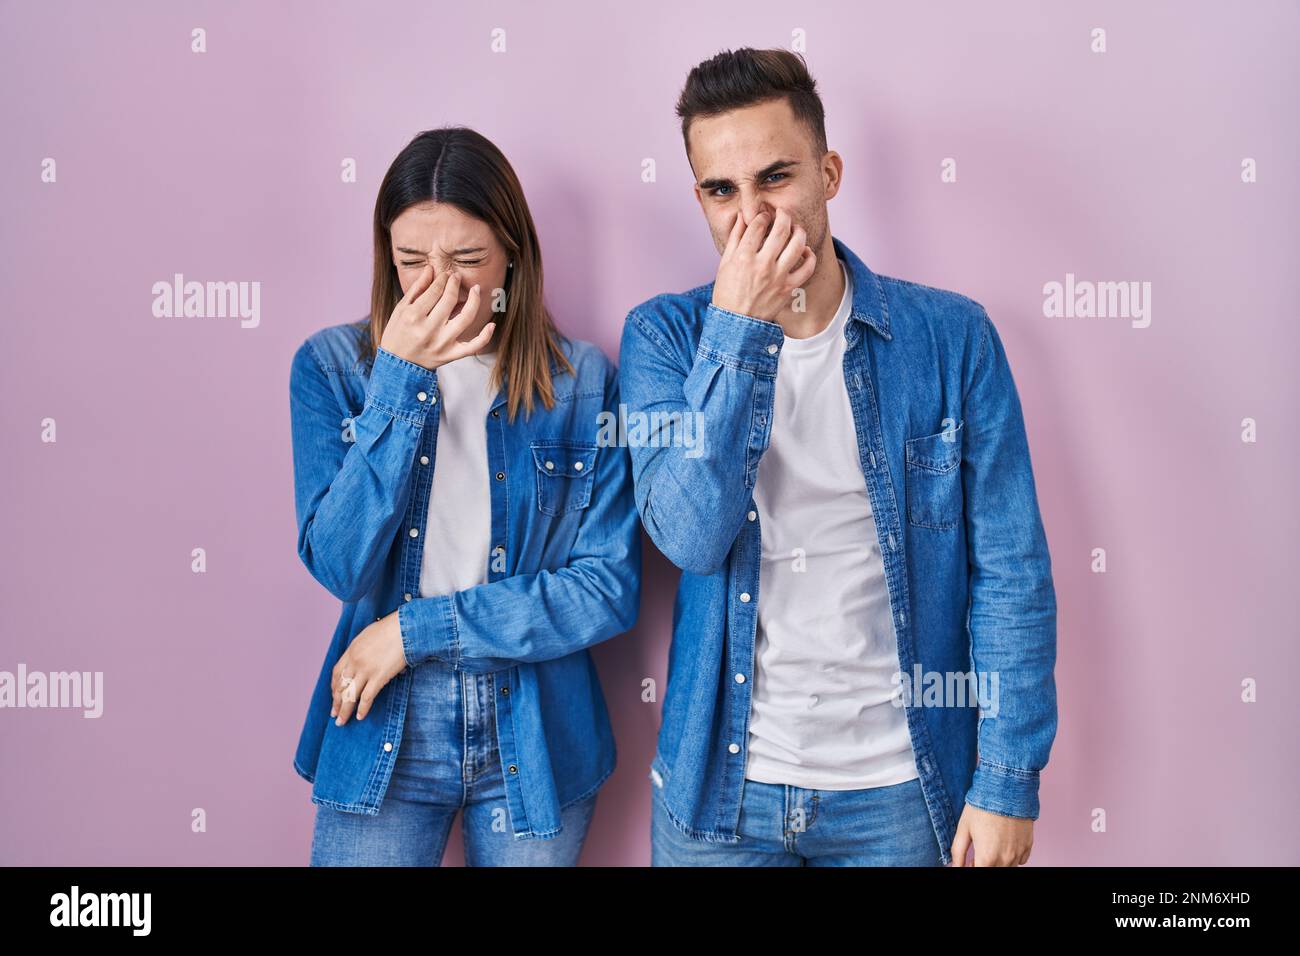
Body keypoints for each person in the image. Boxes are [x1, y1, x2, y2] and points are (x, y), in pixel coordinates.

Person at [618, 48, 1058, 866]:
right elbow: (688, 537)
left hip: (899, 791)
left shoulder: (951, 340)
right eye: (722, 190)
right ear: (700, 199)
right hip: (720, 795)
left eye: (776, 178)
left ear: (829, 172)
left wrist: (1006, 781)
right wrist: (740, 333)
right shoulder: (665, 341)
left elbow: (1010, 570)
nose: (750, 215)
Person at [289, 126, 641, 866]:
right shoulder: (331, 370)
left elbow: (606, 590)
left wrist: (415, 631)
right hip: (384, 716)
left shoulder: (580, 382)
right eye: (411, 261)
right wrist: (397, 385)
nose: (437, 285)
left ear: (513, 254)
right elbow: (341, 567)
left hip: (537, 730)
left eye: (468, 260)